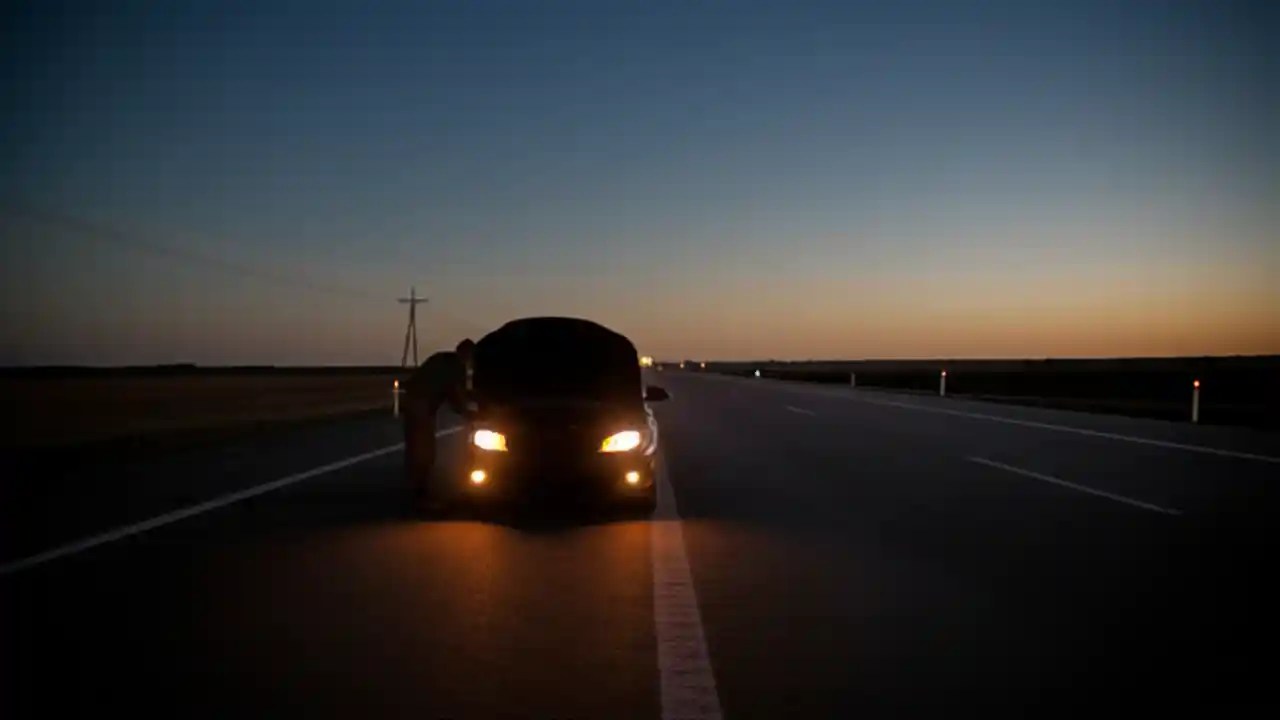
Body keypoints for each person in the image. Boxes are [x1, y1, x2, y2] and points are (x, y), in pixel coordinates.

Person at [402, 338, 475, 510]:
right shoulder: (457, 367)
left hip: (412, 402)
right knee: (424, 449)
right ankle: (420, 495)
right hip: (421, 405)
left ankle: (416, 489)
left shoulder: (442, 358)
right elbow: (456, 396)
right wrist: (470, 414)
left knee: (415, 446)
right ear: (467, 354)